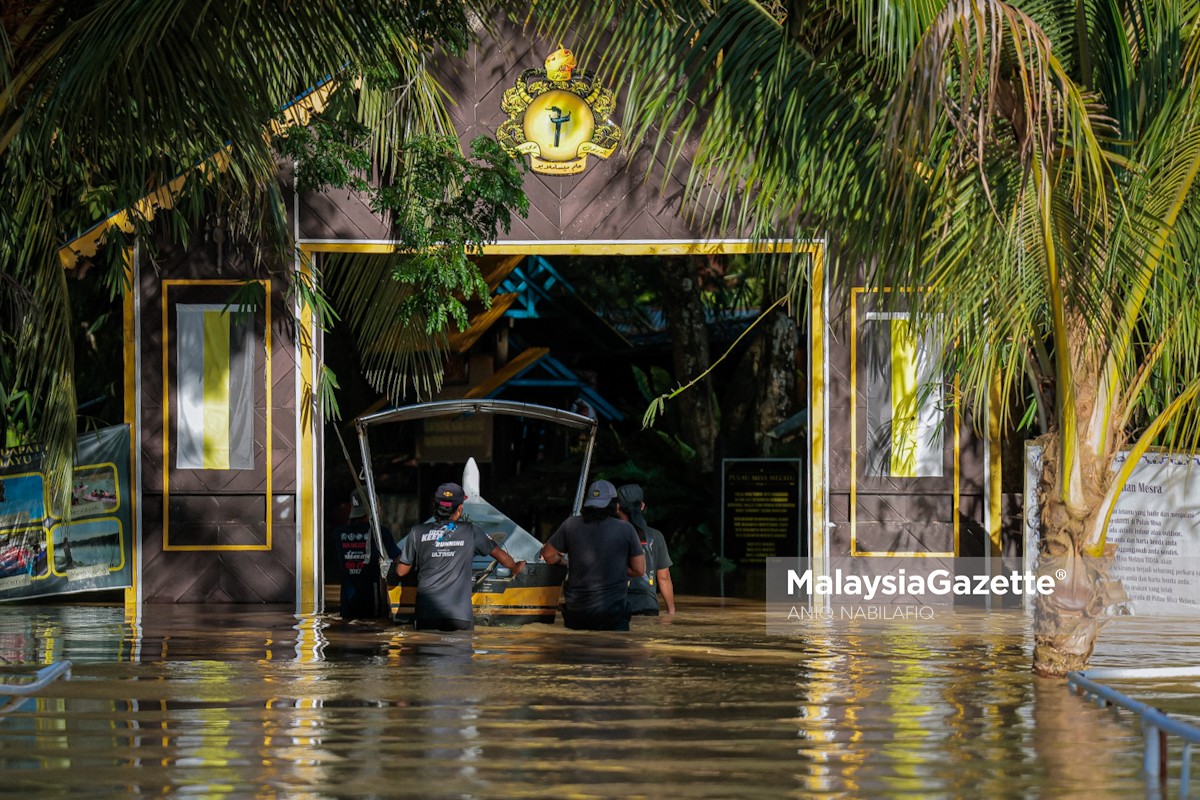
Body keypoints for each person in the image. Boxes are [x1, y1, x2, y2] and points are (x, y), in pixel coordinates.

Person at [396, 482, 525, 631]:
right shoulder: (472, 531)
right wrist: (516, 567)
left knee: (427, 649)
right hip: (459, 616)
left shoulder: (416, 532)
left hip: (426, 614)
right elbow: (502, 557)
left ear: (434, 506)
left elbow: (401, 571)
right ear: (460, 509)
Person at [540, 479, 645, 631]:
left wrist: (564, 562)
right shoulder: (626, 529)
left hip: (577, 612)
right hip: (612, 613)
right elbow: (639, 570)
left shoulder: (571, 524)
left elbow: (547, 556)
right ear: (615, 505)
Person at [333, 487, 399, 620]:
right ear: (374, 507)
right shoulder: (381, 534)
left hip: (347, 606)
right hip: (373, 607)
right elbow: (397, 563)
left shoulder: (338, 535)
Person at [617, 483, 676, 616]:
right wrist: (671, 611)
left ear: (617, 507)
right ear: (642, 506)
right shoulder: (656, 536)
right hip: (648, 605)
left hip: (618, 604)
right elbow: (664, 577)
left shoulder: (612, 535)